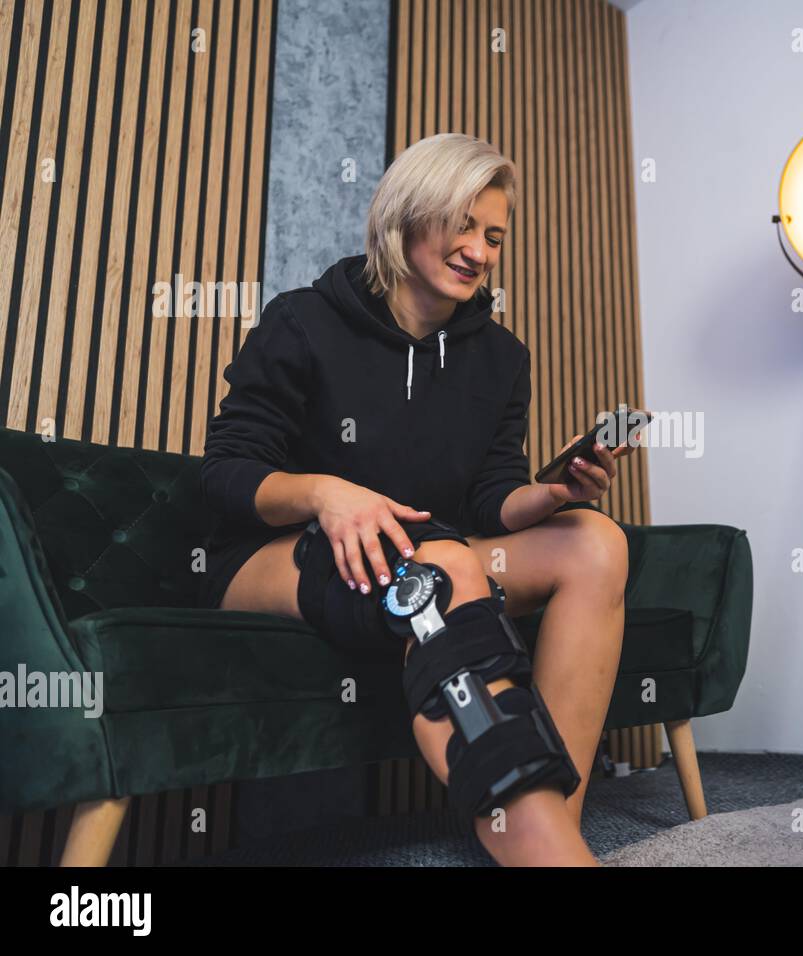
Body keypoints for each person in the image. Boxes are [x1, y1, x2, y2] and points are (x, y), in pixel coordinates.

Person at [198, 132, 636, 866]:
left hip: (421, 546)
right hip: (271, 558)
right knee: (435, 566)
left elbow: (493, 495)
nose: (480, 248)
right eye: (463, 224)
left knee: (596, 542)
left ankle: (547, 832)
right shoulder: (303, 319)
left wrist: (549, 494)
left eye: (494, 235)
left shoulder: (502, 358)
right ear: (408, 214)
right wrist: (330, 495)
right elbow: (225, 472)